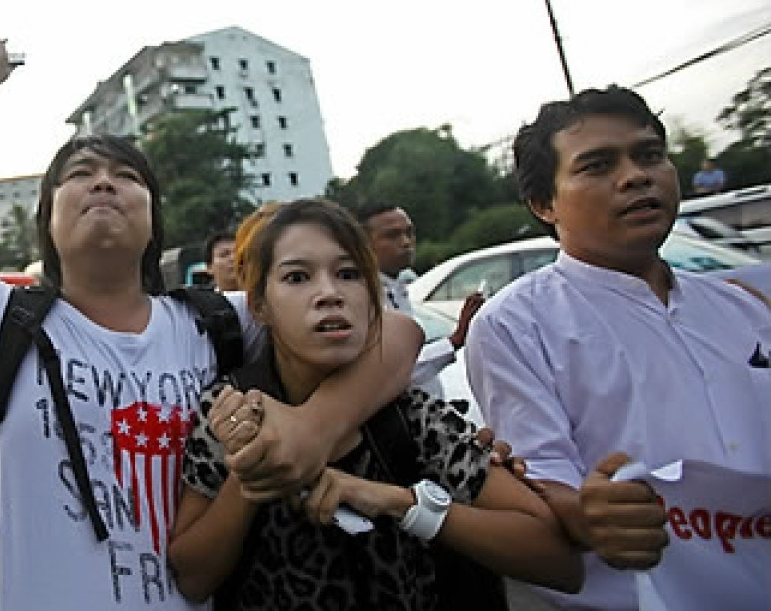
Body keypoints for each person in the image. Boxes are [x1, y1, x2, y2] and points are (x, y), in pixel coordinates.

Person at [0, 37, 421, 609]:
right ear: (47, 218)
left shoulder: (214, 322)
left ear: (152, 219)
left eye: (126, 175)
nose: (103, 182)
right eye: (80, 173)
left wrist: (311, 428)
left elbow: (396, 332)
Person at [169, 199, 582, 609]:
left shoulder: (412, 417)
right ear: (258, 305)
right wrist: (251, 477)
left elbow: (558, 563)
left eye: (348, 274)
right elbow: (193, 577)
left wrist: (399, 502)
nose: (329, 294)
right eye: (297, 277)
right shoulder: (230, 412)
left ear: (372, 299)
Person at [466, 85, 771, 610]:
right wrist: (591, 515)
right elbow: (542, 483)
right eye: (598, 166)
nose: (635, 176)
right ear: (544, 204)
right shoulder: (514, 325)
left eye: (649, 155)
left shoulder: (743, 306)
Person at [357, 202, 484, 401]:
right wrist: (454, 341)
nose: (406, 242)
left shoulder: (398, 287)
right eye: (392, 235)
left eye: (409, 233)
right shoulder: (360, 298)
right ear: (363, 244)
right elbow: (392, 371)